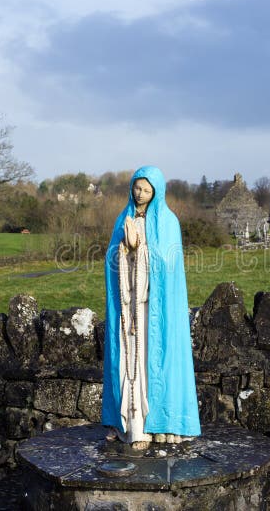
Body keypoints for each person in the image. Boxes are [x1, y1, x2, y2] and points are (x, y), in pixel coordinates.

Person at [102, 166, 201, 448]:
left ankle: (160, 423)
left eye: (146, 190)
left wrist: (140, 247)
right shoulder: (123, 217)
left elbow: (169, 262)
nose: (140, 194)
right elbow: (110, 258)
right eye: (137, 188)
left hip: (153, 310)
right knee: (126, 361)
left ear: (157, 191)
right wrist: (123, 248)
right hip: (128, 306)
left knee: (152, 361)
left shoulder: (168, 221)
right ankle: (130, 425)